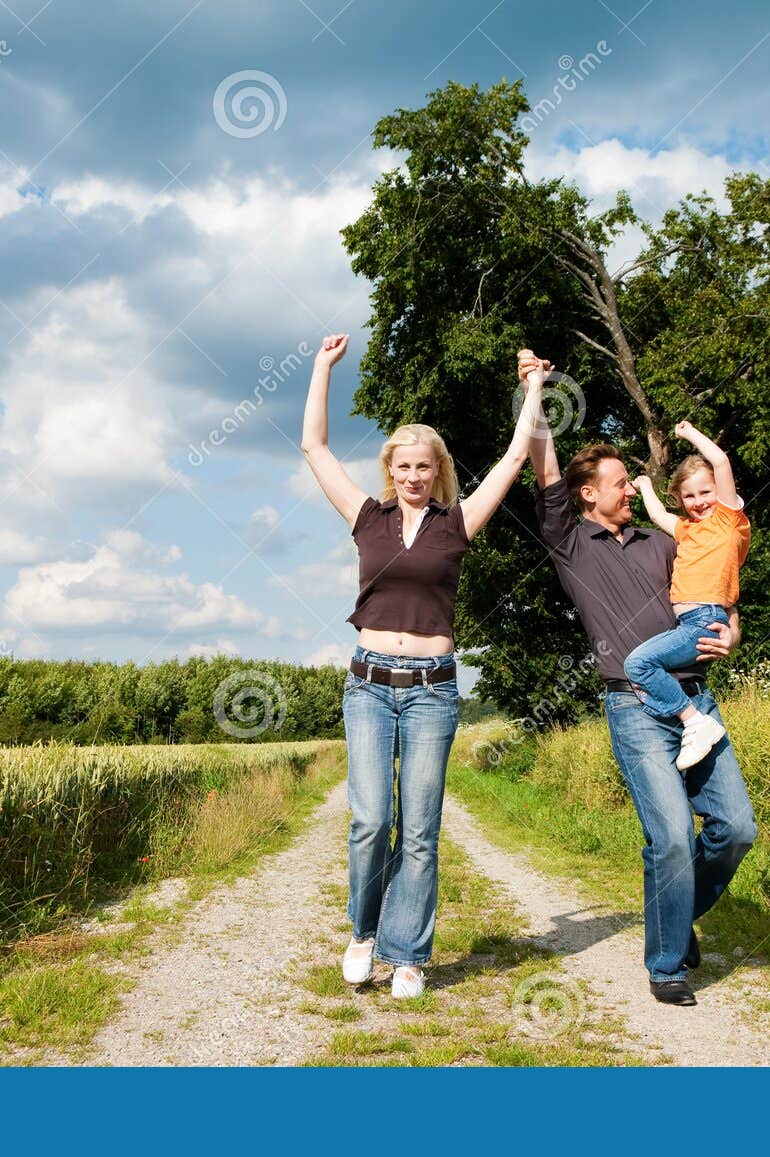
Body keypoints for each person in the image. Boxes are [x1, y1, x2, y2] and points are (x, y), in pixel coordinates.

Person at [302, 333, 543, 998]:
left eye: (423, 467)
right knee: (372, 818)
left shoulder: (456, 524)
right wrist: (322, 368)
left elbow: (516, 456)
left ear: (438, 471)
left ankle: (409, 952)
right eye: (402, 466)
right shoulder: (366, 517)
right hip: (370, 686)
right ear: (391, 470)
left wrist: (534, 392)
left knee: (422, 828)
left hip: (434, 690)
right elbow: (315, 449)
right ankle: (363, 931)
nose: (412, 476)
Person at [518, 348, 757, 1007]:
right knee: (672, 834)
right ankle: (668, 963)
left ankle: (675, 915)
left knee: (736, 829)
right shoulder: (570, 540)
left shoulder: (667, 540)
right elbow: (541, 462)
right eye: (621, 481)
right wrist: (535, 389)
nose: (632, 488)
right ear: (588, 492)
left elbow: (717, 586)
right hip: (634, 706)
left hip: (696, 697)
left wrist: (731, 629)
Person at [625, 422, 751, 770]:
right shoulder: (686, 529)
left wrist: (690, 433)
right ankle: (690, 722)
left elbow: (721, 462)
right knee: (648, 665)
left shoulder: (728, 520)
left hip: (705, 619)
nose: (699, 502)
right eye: (689, 497)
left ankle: (694, 722)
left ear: (720, 493)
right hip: (688, 622)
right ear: (680, 500)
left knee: (638, 664)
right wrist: (645, 485)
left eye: (705, 492)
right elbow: (656, 514)